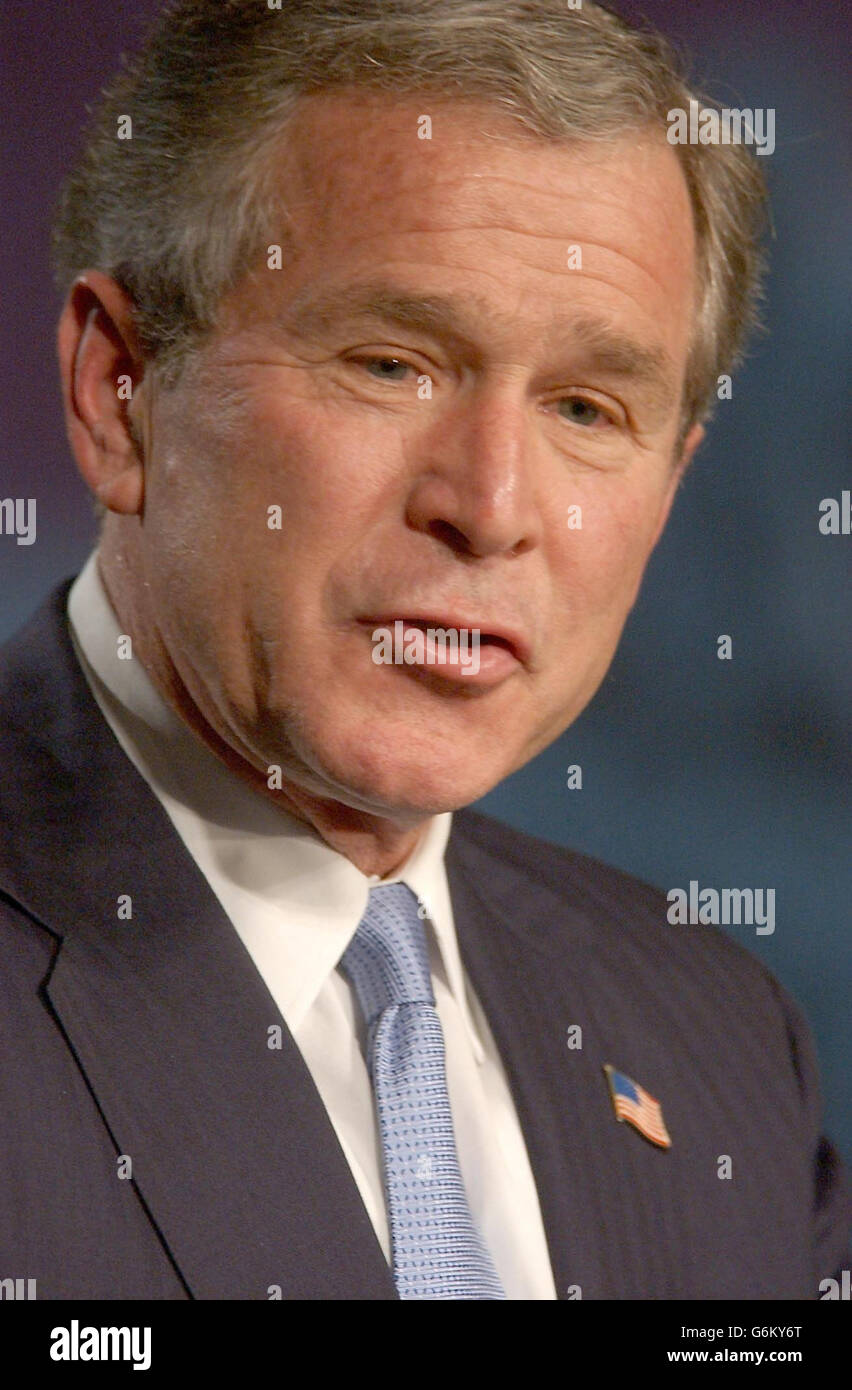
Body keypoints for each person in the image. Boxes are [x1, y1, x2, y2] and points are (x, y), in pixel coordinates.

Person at [0, 0, 848, 1301]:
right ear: (120, 395)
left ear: (673, 485)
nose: (491, 503)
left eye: (584, 407)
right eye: (392, 364)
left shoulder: (722, 1038)